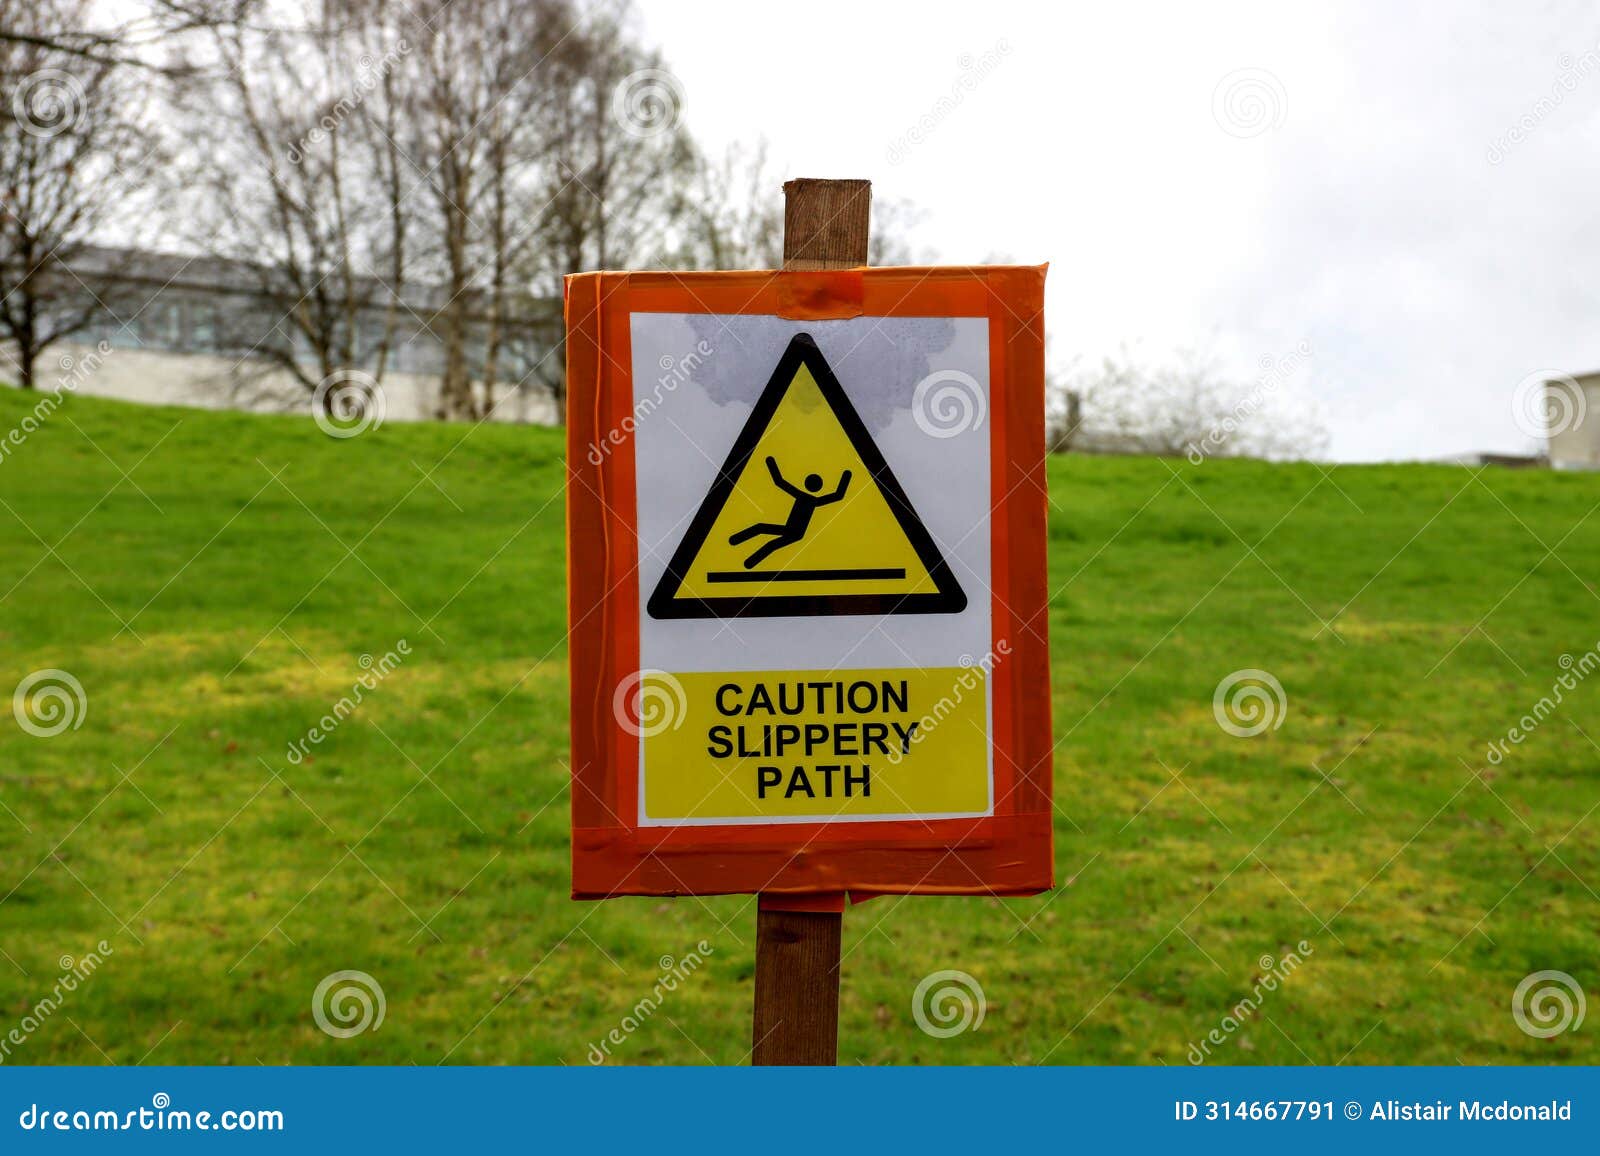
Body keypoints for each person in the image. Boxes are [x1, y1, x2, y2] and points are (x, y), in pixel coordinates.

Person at [728, 456, 852, 569]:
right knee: (764, 533)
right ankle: (738, 547)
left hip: (794, 532)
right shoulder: (811, 500)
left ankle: (746, 561)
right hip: (792, 530)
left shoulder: (806, 498)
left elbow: (780, 482)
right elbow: (837, 495)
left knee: (769, 540)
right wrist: (846, 476)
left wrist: (770, 462)